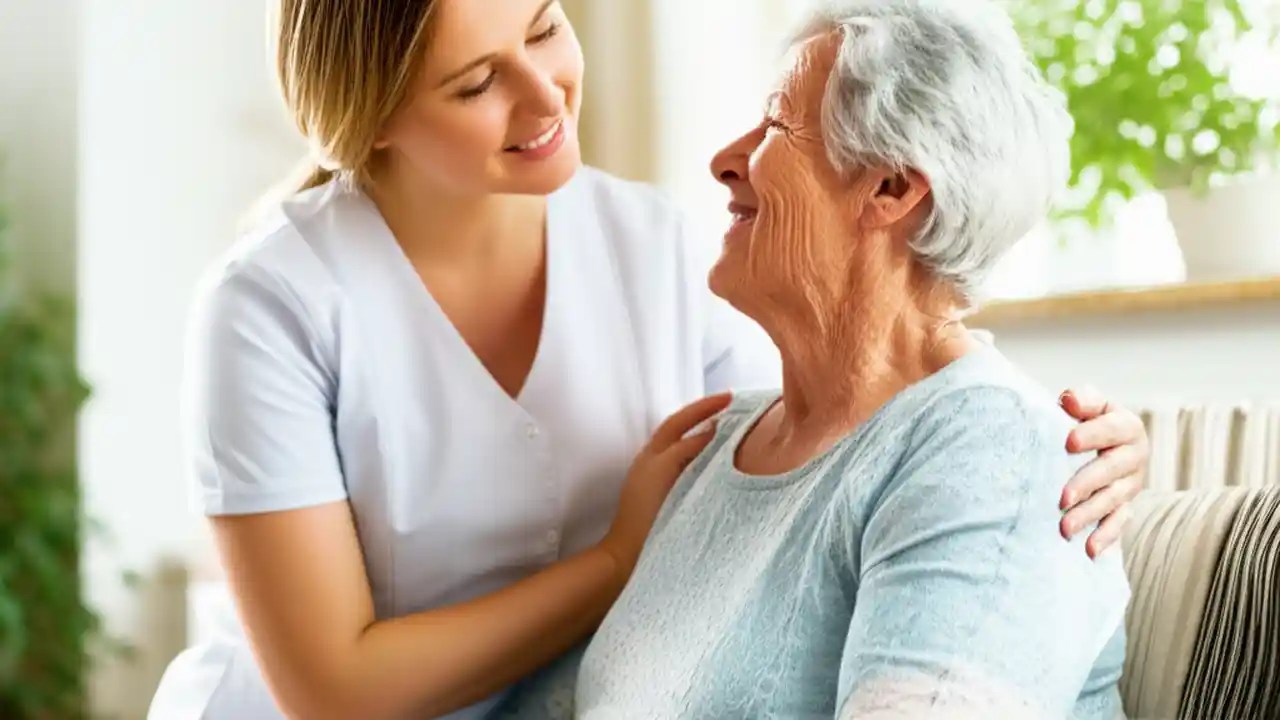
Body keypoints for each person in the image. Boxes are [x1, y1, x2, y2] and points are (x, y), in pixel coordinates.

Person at [148, 1, 1149, 718]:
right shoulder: (271, 303)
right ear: (376, 117)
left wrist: (1068, 433)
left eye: (542, 26)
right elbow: (334, 691)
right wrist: (614, 561)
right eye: (474, 81)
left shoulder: (654, 246)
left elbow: (871, 369)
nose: (544, 95)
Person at [497, 2, 1133, 717]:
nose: (725, 160)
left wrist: (1031, 445)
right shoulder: (712, 447)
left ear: (890, 188)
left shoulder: (997, 451)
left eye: (774, 125)